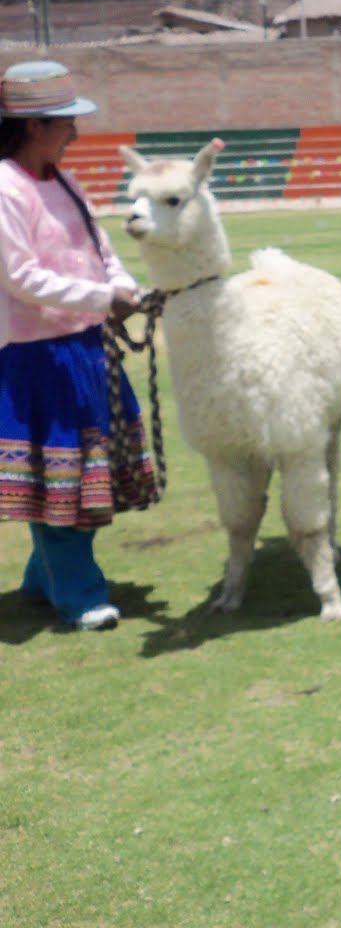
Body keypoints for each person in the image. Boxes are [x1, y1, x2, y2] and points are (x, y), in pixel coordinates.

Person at [1, 60, 149, 631]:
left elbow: (98, 244)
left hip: (83, 344)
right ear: (34, 125)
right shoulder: (4, 188)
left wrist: (121, 284)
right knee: (62, 480)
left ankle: (44, 577)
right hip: (35, 355)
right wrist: (101, 297)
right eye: (65, 122)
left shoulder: (62, 180)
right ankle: (81, 595)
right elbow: (20, 277)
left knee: (79, 472)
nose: (75, 133)